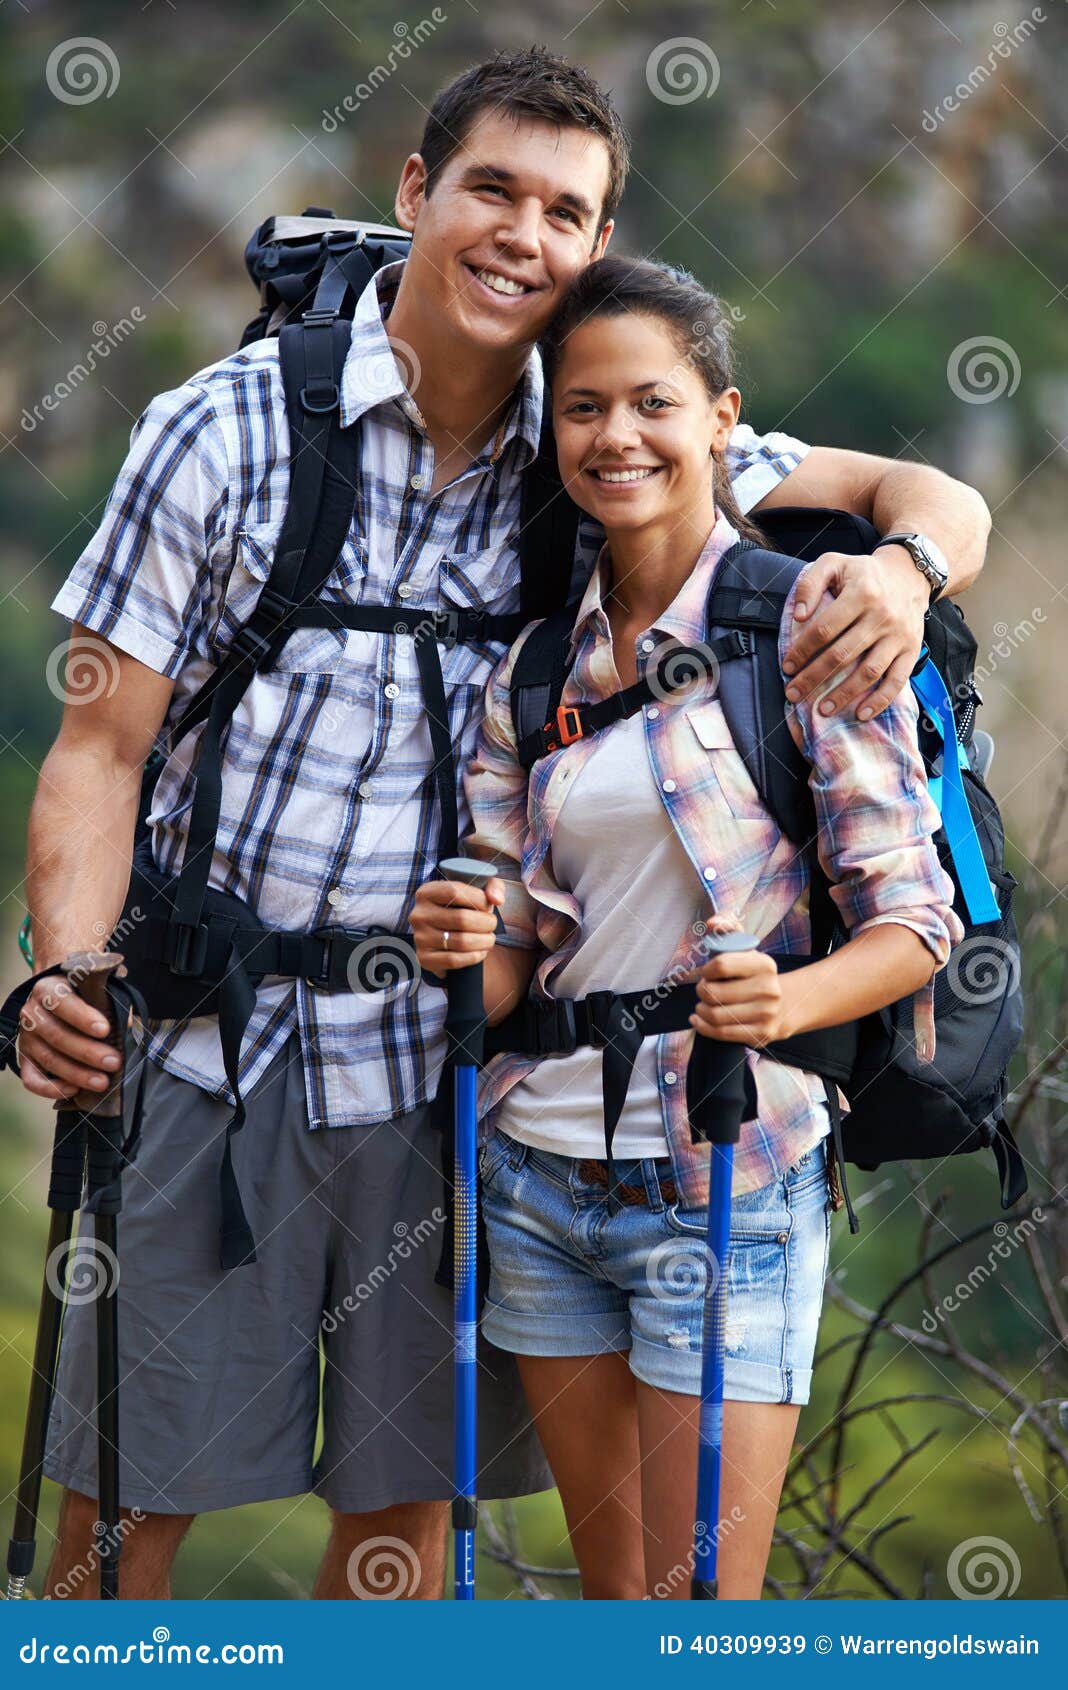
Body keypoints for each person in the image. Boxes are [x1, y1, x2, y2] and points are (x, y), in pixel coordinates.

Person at [19, 48, 985, 1601]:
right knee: (118, 1518)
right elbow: (97, 744)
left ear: (596, 243)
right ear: (417, 194)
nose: (522, 235)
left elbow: (928, 491)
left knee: (401, 1531)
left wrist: (903, 575)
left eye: (565, 210)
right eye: (491, 190)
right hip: (202, 1046)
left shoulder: (606, 430)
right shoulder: (227, 431)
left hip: (450, 1071)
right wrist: (64, 973)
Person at [410, 253, 964, 1600]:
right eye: (584, 408)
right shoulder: (534, 670)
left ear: (722, 419)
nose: (617, 437)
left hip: (734, 1169)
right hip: (539, 1179)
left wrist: (789, 1000)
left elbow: (919, 919)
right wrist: (454, 942)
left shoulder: (811, 626)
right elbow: (512, 962)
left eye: (652, 403)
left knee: (698, 1616)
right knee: (619, 1614)